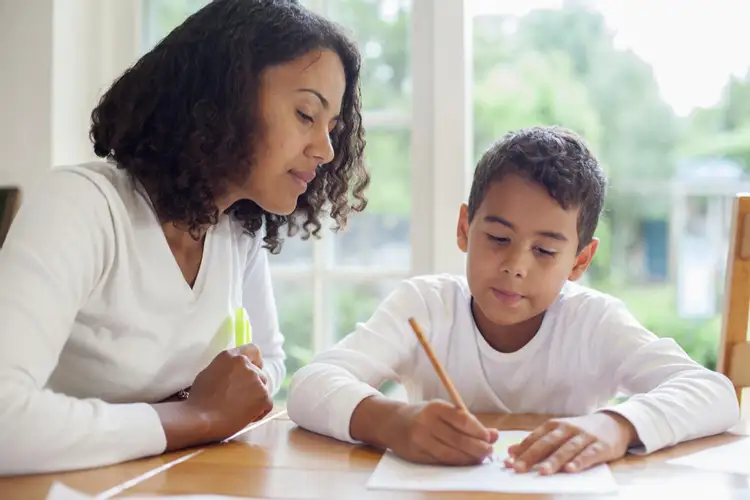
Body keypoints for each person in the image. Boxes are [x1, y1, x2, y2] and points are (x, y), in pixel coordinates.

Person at [0, 0, 368, 475]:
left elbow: (268, 364)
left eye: (332, 127)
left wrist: (210, 405)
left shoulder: (238, 230)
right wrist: (195, 415)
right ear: (224, 96)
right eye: (305, 114)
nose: (324, 149)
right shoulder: (82, 205)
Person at [287, 126, 739, 475]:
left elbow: (713, 393)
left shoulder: (593, 322)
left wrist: (616, 426)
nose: (516, 266)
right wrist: (391, 422)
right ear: (465, 228)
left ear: (580, 261)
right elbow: (310, 385)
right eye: (499, 237)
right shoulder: (424, 306)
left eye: (545, 251)